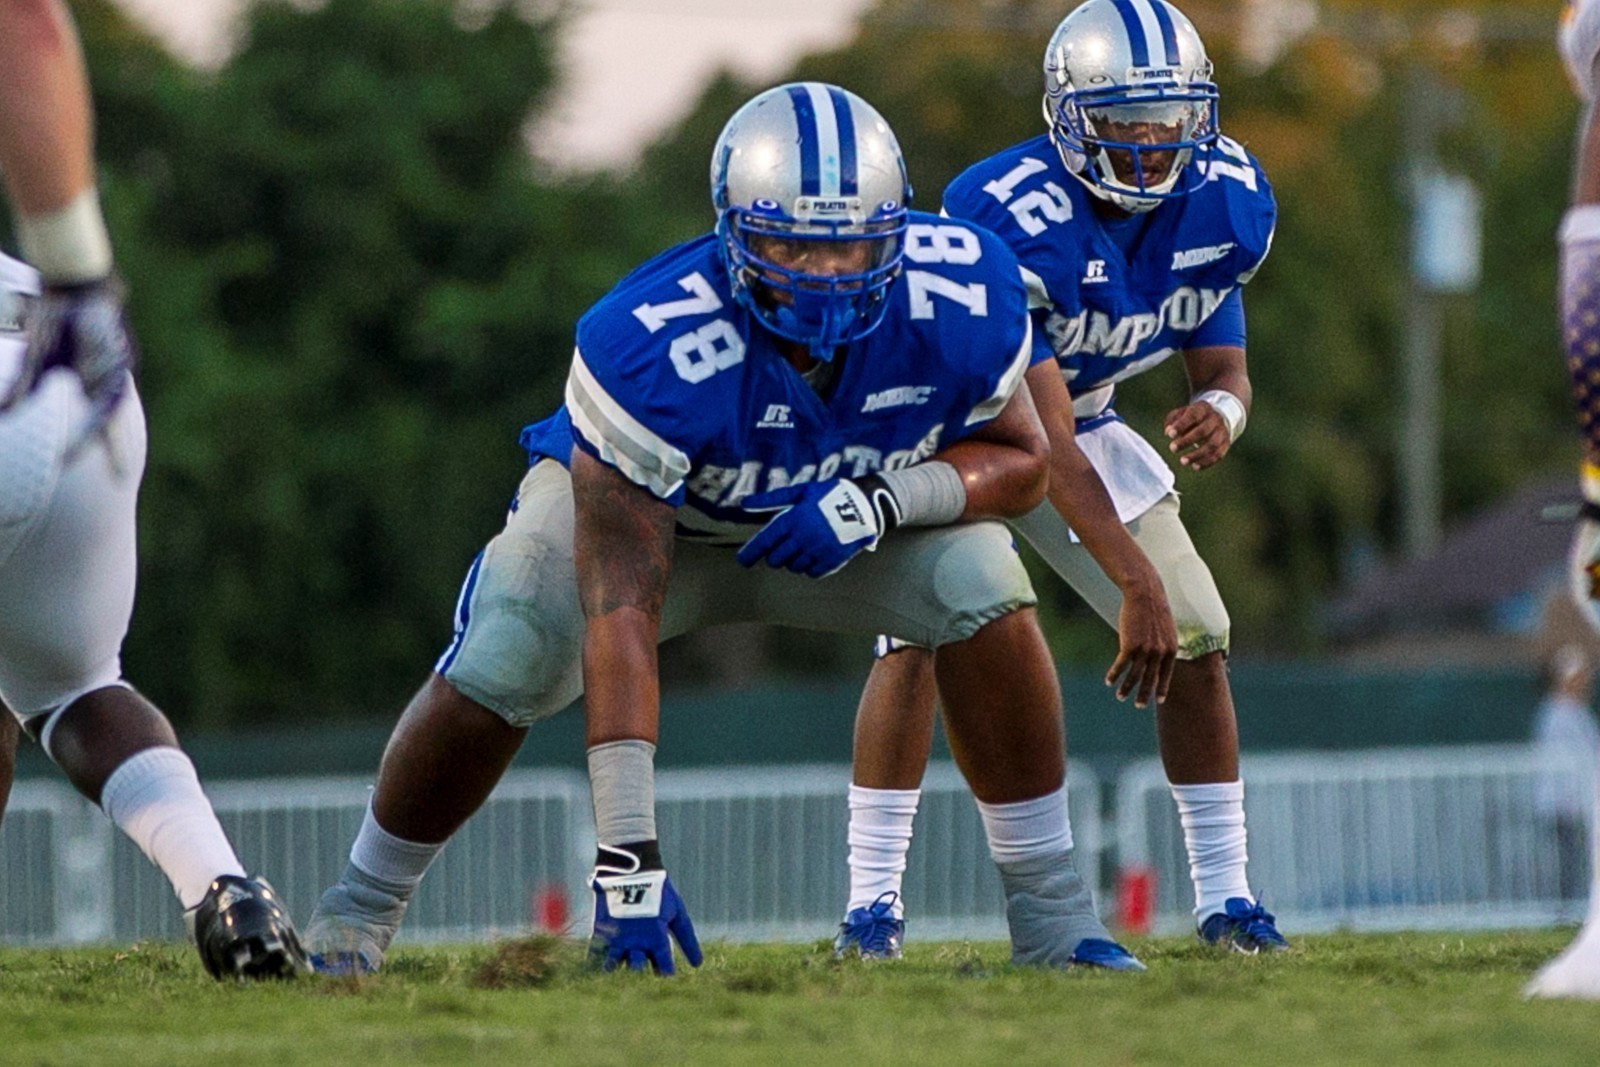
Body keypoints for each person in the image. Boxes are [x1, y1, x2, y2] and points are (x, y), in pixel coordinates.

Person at [306, 81, 1144, 975]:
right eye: (793, 243)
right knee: (511, 639)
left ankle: (1052, 918)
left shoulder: (961, 291)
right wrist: (628, 861)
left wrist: (883, 501)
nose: (827, 273)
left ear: (895, 232)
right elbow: (620, 608)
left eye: (851, 244)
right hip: (664, 523)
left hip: (844, 519)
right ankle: (359, 907)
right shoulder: (648, 338)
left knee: (984, 583)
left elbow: (1024, 462)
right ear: (734, 234)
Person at [833, 0, 1289, 960]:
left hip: (1082, 417)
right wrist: (1133, 582)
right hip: (950, 423)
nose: (1152, 142)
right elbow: (1039, 443)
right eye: (1126, 120)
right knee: (914, 636)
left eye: (1169, 117)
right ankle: (870, 907)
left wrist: (1228, 412)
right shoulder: (1007, 213)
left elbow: (1222, 367)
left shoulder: (1224, 199)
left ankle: (1228, 901)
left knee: (1202, 633)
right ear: (1071, 116)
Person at [0, 0, 307, 979]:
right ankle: (227, 890)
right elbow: (30, 22)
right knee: (73, 684)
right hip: (62, 347)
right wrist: (80, 275)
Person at [1531, 646, 1600, 917]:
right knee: (1566, 860)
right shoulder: (1555, 714)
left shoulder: (1578, 714)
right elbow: (1567, 762)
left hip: (1581, 802)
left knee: (1577, 859)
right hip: (1563, 802)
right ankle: (1564, 911)